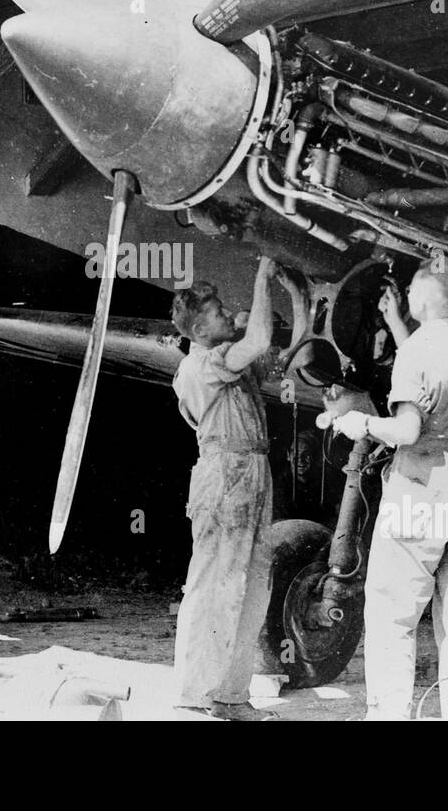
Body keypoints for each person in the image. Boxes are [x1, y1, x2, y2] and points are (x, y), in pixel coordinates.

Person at [322, 257, 448, 720]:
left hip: (420, 485)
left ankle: (389, 714)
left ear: (425, 298)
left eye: (412, 292)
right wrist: (398, 324)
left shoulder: (419, 350)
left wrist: (360, 423)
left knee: (393, 612)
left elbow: (407, 429)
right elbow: (432, 372)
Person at [170, 255, 281, 721]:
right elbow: (259, 340)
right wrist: (263, 277)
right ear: (198, 330)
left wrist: (293, 299)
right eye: (217, 313)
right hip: (224, 474)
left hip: (252, 469)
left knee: (252, 586)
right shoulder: (202, 364)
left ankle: (231, 695)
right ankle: (196, 693)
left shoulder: (228, 361)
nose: (227, 314)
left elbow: (275, 354)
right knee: (215, 584)